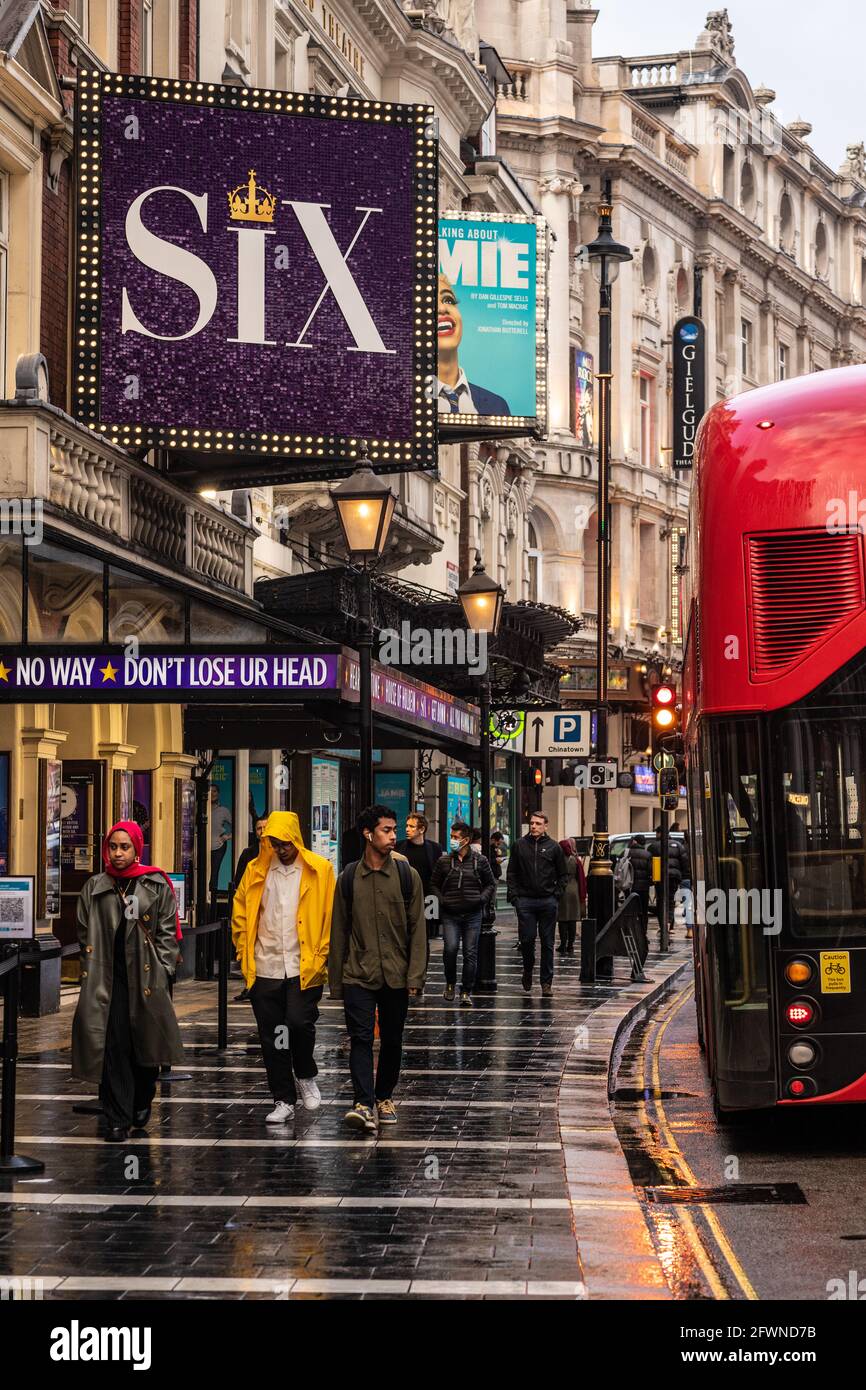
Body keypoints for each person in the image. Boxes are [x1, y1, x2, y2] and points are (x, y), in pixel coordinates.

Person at [71, 821, 184, 1143]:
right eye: (113, 847)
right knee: (112, 1046)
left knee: (144, 1047)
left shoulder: (156, 884)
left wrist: (163, 969)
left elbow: (166, 933)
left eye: (125, 847)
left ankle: (140, 1100)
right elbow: (83, 931)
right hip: (107, 980)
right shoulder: (95, 887)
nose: (118, 853)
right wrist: (90, 968)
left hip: (146, 978)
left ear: (137, 848)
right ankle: (117, 1118)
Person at [232, 811, 334, 1124]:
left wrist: (321, 955)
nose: (281, 849)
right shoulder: (256, 870)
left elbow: (331, 915)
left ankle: (305, 1073)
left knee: (299, 1023)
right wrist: (242, 951)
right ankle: (283, 1099)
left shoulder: (320, 870)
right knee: (273, 1034)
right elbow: (240, 914)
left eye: (285, 843)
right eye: (275, 844)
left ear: (296, 839)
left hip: (304, 964)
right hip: (265, 966)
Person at [329, 805, 427, 1134]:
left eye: (395, 829)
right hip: (358, 972)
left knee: (392, 1039)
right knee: (359, 1038)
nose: (393, 835)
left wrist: (415, 976)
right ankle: (362, 1101)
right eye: (386, 830)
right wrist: (336, 982)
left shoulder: (406, 875)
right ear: (368, 835)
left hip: (396, 974)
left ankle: (384, 1096)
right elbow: (338, 930)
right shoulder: (347, 879)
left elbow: (418, 930)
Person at [430, 820, 496, 1004]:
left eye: (455, 837)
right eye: (451, 837)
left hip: (473, 914)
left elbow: (491, 883)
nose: (452, 840)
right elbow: (433, 884)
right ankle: (450, 982)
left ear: (466, 840)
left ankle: (466, 990)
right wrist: (442, 901)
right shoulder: (444, 861)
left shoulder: (479, 861)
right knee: (450, 949)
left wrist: (481, 899)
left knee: (470, 953)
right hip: (450, 914)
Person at [507, 811, 568, 996]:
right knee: (527, 940)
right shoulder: (519, 845)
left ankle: (546, 983)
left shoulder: (554, 847)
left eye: (538, 824)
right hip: (525, 901)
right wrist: (515, 897)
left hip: (547, 901)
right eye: (532, 823)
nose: (534, 826)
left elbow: (563, 875)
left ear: (545, 826)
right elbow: (512, 873)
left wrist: (556, 894)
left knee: (548, 943)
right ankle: (527, 970)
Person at [435, 273, 512, 415]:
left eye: (448, 300)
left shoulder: (497, 405)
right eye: (428, 302)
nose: (442, 309)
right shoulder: (399, 401)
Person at [231, 815, 268, 1002]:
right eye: (259, 828)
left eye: (265, 827)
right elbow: (240, 880)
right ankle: (249, 984)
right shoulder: (249, 854)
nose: (262, 831)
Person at [556, 838, 587, 954]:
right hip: (574, 890)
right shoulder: (576, 860)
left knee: (563, 920)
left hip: (562, 890)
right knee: (572, 920)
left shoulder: (558, 860)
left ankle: (563, 944)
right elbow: (581, 877)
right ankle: (570, 945)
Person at [209, 784, 233, 902]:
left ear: (218, 794)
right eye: (210, 791)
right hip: (203, 846)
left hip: (218, 847)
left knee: (214, 873)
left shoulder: (223, 811)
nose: (212, 793)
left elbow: (238, 825)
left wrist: (227, 837)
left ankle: (212, 902)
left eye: (214, 791)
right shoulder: (202, 808)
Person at [627, 834, 653, 935]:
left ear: (635, 842)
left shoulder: (627, 853)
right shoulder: (648, 855)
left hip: (630, 887)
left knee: (631, 910)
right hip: (643, 888)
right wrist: (648, 883)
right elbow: (650, 872)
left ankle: (631, 930)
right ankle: (643, 931)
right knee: (643, 911)